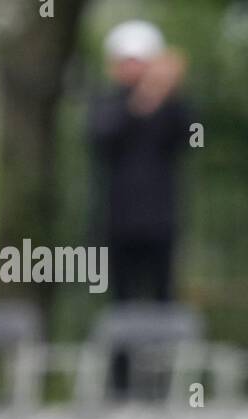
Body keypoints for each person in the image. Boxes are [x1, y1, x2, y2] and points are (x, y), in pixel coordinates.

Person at [87, 20, 191, 304]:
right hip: (118, 220)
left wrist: (165, 89)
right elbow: (101, 138)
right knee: (122, 298)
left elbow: (186, 136)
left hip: (161, 219)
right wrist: (145, 97)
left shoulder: (173, 105)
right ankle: (123, 350)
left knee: (162, 294)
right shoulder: (106, 102)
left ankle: (162, 348)